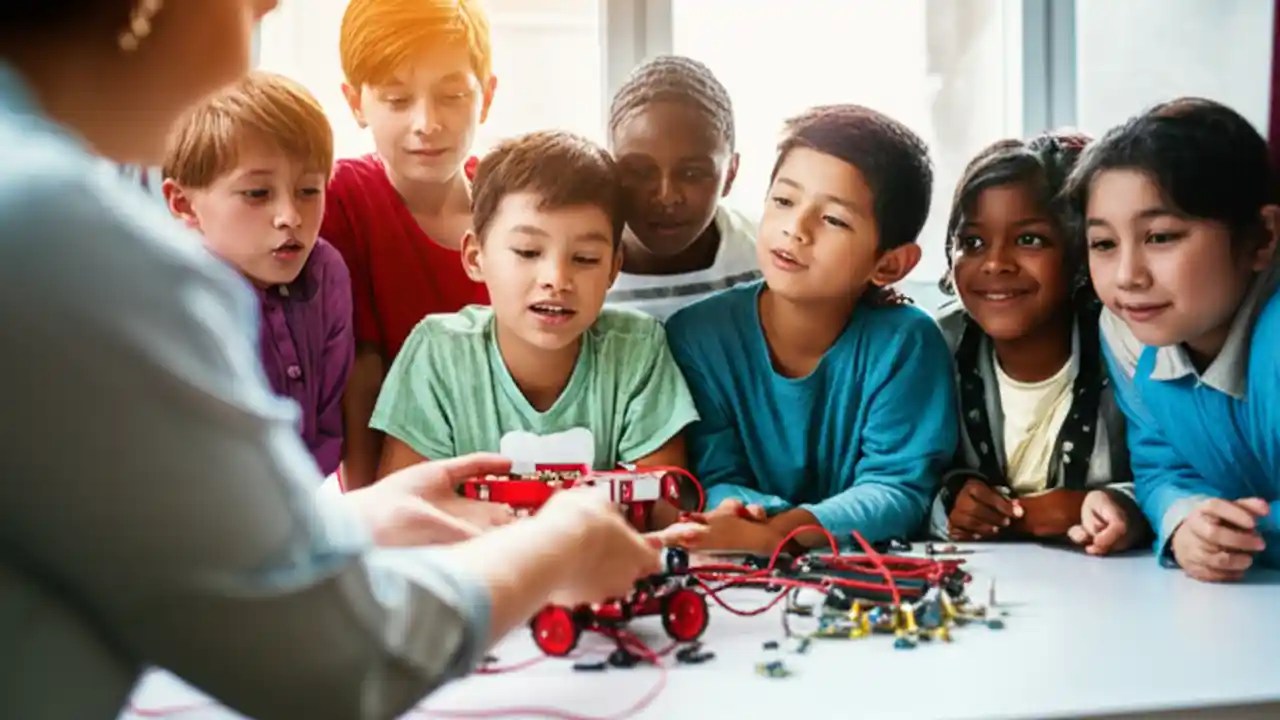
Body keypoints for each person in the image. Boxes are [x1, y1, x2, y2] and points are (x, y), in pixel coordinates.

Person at [0, 2, 680, 718]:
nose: (265, 11)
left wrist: (362, 520)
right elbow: (343, 662)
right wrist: (558, 544)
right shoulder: (55, 231)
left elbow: (149, 544)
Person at [664, 104, 958, 553]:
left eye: (834, 219)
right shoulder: (698, 336)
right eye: (784, 200)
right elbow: (715, 477)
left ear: (890, 263)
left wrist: (784, 531)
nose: (796, 229)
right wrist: (750, 518)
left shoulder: (906, 344)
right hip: (741, 564)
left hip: (867, 569)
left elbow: (897, 489)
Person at [371, 130, 699, 526]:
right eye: (528, 252)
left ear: (614, 267)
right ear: (476, 257)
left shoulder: (638, 349)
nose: (557, 278)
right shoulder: (438, 352)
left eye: (585, 257)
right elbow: (400, 514)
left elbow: (664, 512)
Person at [1068, 97, 1280, 581]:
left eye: (1161, 237)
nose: (1127, 276)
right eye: (1103, 244)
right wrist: (1184, 520)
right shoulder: (1131, 332)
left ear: (1263, 237)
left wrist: (1244, 532)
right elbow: (1161, 468)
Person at [929, 132, 1145, 555]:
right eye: (972, 242)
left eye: (1029, 240)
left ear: (1080, 255)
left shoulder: (1128, 345)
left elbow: (1178, 473)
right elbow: (897, 480)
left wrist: (1111, 505)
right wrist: (951, 503)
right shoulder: (934, 348)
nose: (994, 263)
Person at [323, 0, 497, 490]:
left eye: (452, 95)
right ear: (356, 102)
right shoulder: (342, 199)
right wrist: (368, 517)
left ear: (486, 96)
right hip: (400, 493)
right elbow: (361, 374)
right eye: (398, 101)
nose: (427, 123)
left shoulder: (512, 203)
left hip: (514, 479)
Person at [161, 70, 353, 478]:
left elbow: (328, 426)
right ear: (183, 204)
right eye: (257, 194)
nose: (290, 217)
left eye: (308, 191)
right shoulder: (179, 296)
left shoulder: (327, 272)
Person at [604, 54, 759, 320]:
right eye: (640, 172)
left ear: (730, 174)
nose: (667, 197)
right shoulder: (574, 270)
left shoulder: (764, 262)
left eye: (692, 173)